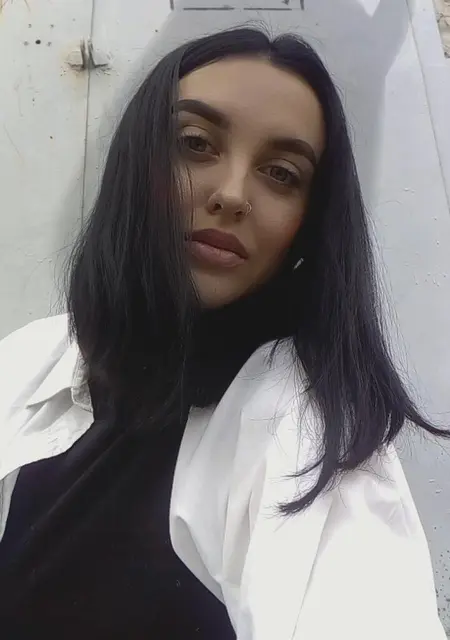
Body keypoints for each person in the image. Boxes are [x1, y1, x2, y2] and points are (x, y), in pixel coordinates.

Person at [0, 27, 447, 639]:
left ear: (308, 227)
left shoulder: (302, 431)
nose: (233, 195)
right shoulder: (32, 356)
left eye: (282, 174)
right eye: (195, 144)